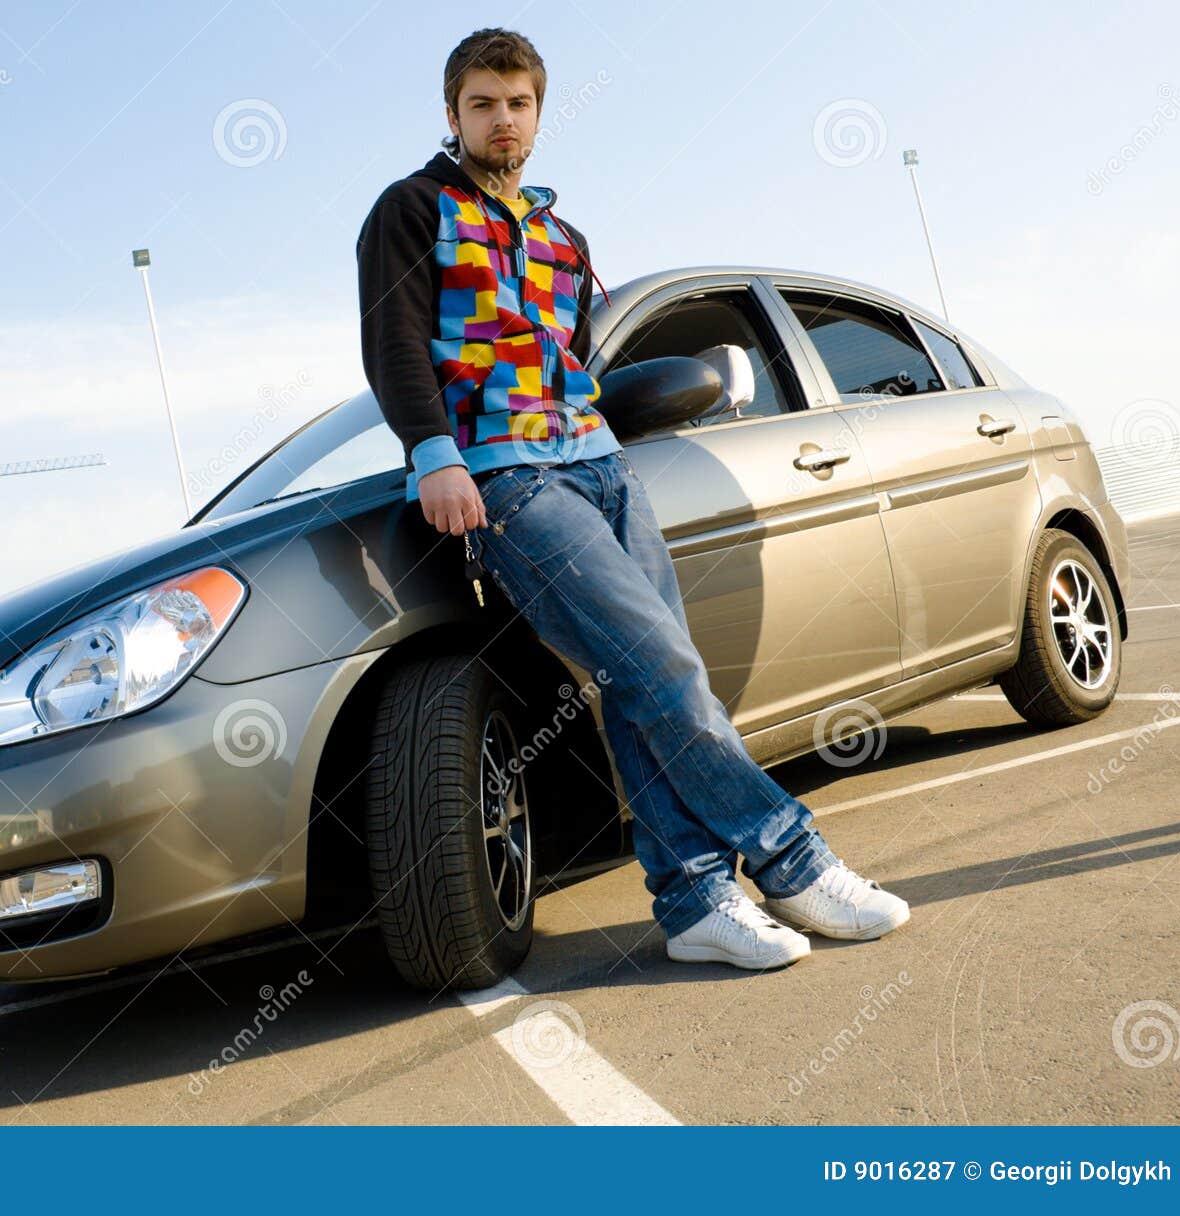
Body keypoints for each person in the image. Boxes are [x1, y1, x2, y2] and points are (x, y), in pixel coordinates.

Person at [354, 27, 911, 970]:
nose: (501, 119)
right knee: (665, 671)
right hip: (508, 478)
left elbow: (573, 363)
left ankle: (694, 904)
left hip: (606, 468)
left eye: (517, 103)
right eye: (482, 103)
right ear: (452, 114)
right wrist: (434, 452)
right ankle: (792, 858)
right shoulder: (412, 210)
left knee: (642, 684)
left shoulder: (564, 236)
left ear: (538, 114)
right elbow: (393, 340)